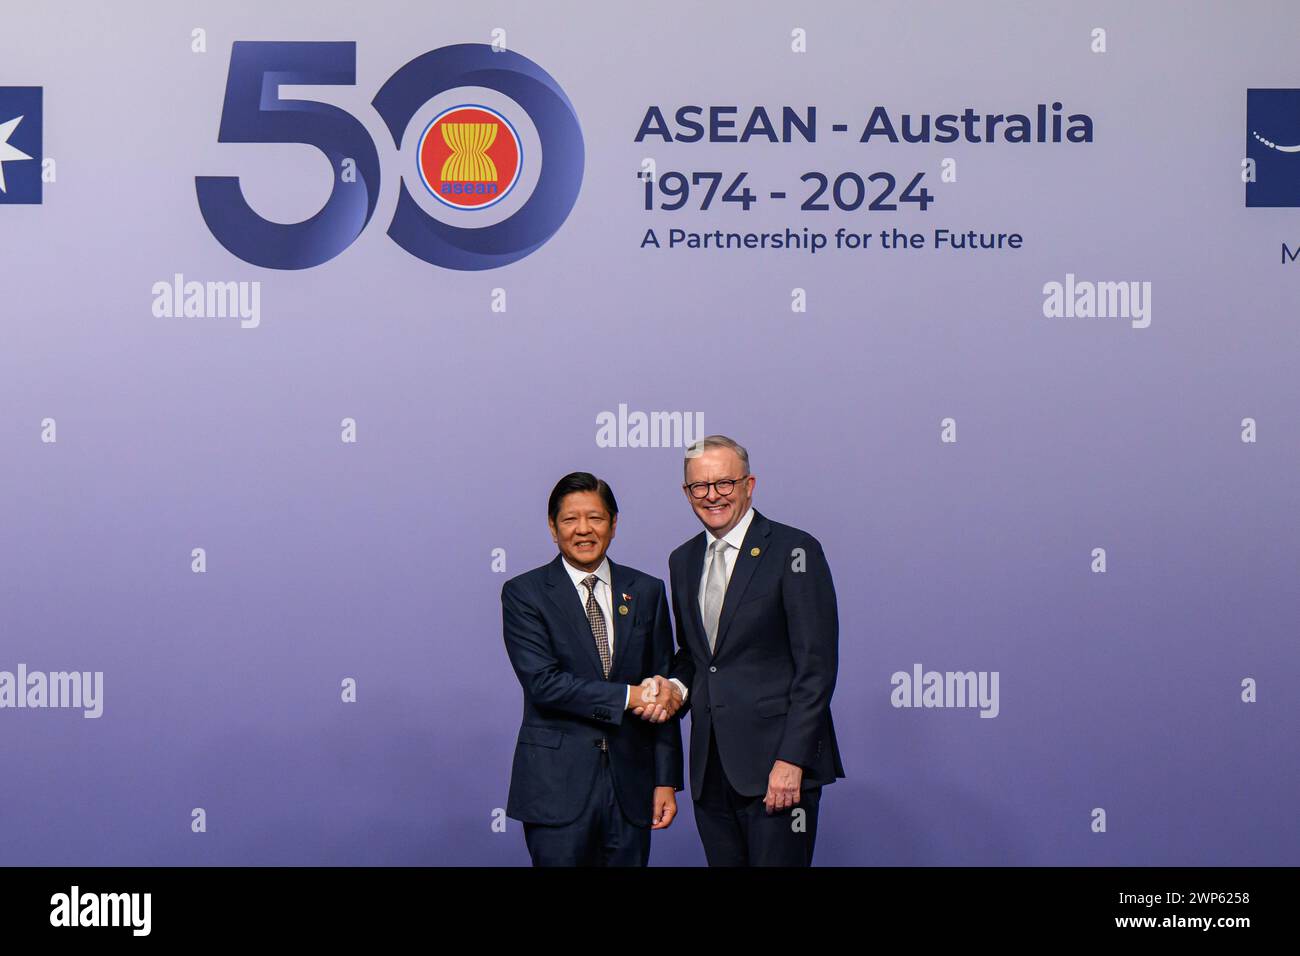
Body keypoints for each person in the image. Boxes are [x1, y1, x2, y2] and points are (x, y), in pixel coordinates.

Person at [658, 435, 844, 866]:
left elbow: (815, 667)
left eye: (724, 483)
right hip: (711, 770)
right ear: (686, 493)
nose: (712, 496)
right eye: (699, 487)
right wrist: (672, 689)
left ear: (749, 484)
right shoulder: (682, 560)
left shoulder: (794, 550)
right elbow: (696, 657)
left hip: (777, 770)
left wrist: (791, 759)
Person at [501, 472, 683, 866]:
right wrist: (629, 696)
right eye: (570, 520)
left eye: (596, 518)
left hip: (632, 787)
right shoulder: (524, 593)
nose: (583, 530)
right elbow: (544, 684)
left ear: (613, 524)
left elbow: (663, 686)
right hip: (556, 789)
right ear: (553, 528)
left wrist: (666, 779)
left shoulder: (647, 591)